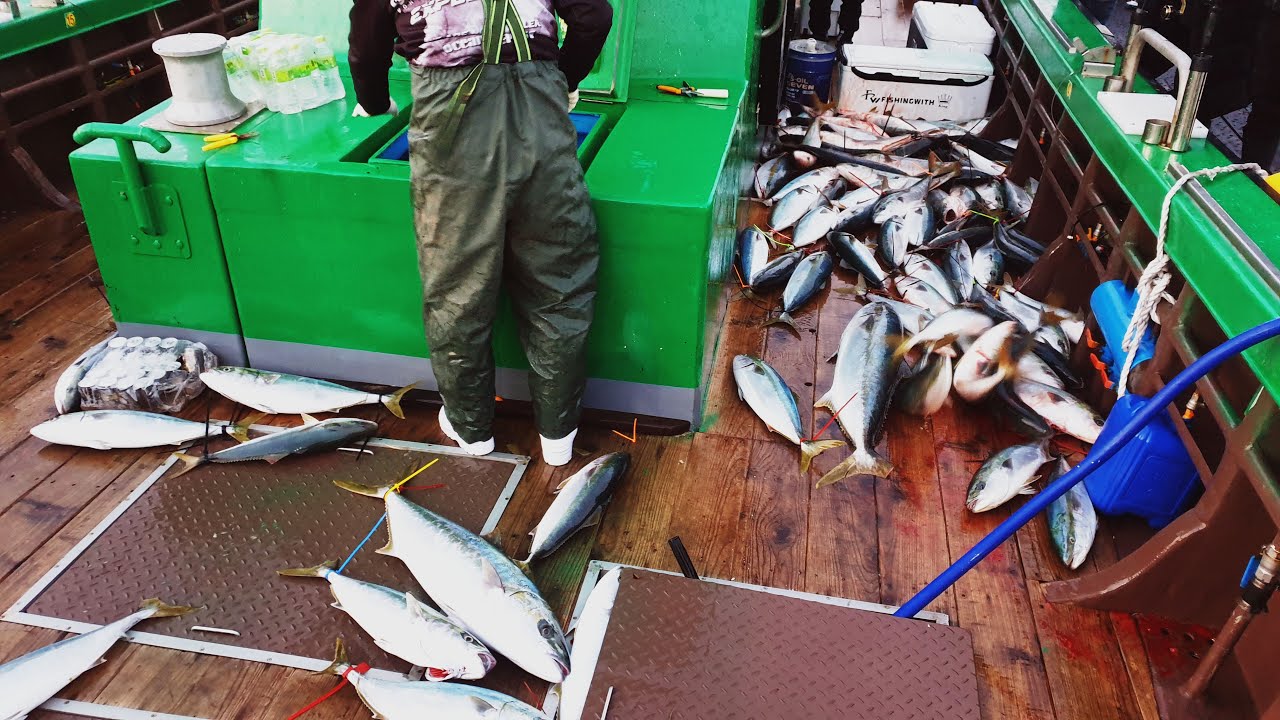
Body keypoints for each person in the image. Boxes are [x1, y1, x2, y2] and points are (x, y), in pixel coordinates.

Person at [348, 0, 613, 465]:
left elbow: (366, 50)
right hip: (542, 117)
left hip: (451, 128)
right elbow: (593, 16)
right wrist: (563, 79)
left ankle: (472, 431)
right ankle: (558, 435)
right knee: (560, 283)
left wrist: (373, 103)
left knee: (457, 287)